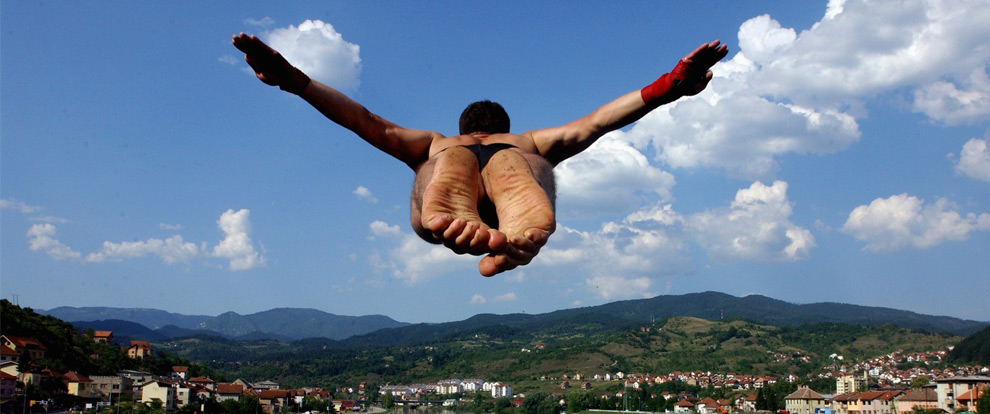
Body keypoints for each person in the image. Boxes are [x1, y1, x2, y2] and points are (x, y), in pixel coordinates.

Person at [232, 33, 728, 277]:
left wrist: (292, 79)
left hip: (445, 173)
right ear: (503, 127)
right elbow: (599, 120)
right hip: (518, 167)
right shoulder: (528, 140)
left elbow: (364, 120)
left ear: (465, 127)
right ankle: (509, 202)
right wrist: (668, 87)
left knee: (450, 167)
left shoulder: (436, 140)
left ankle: (462, 190)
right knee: (512, 180)